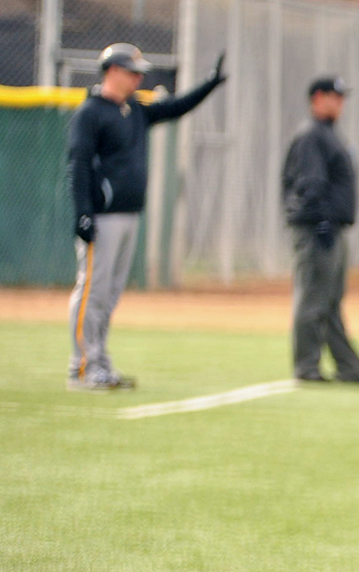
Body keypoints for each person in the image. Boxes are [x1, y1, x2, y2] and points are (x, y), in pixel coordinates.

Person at [66, 43, 225, 390]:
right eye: (132, 71)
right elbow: (77, 165)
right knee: (92, 291)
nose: (139, 77)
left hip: (129, 215)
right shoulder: (91, 112)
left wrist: (209, 84)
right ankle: (82, 367)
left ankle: (100, 362)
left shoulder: (133, 110)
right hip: (103, 216)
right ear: (112, 71)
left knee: (109, 295)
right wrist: (82, 213)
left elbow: (175, 108)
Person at [282, 76, 359, 384]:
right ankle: (306, 366)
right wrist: (321, 220)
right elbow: (310, 183)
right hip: (315, 228)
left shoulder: (328, 135)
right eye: (332, 96)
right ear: (316, 98)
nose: (338, 102)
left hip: (331, 228)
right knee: (313, 296)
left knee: (330, 298)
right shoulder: (312, 135)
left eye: (340, 97)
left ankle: (349, 367)